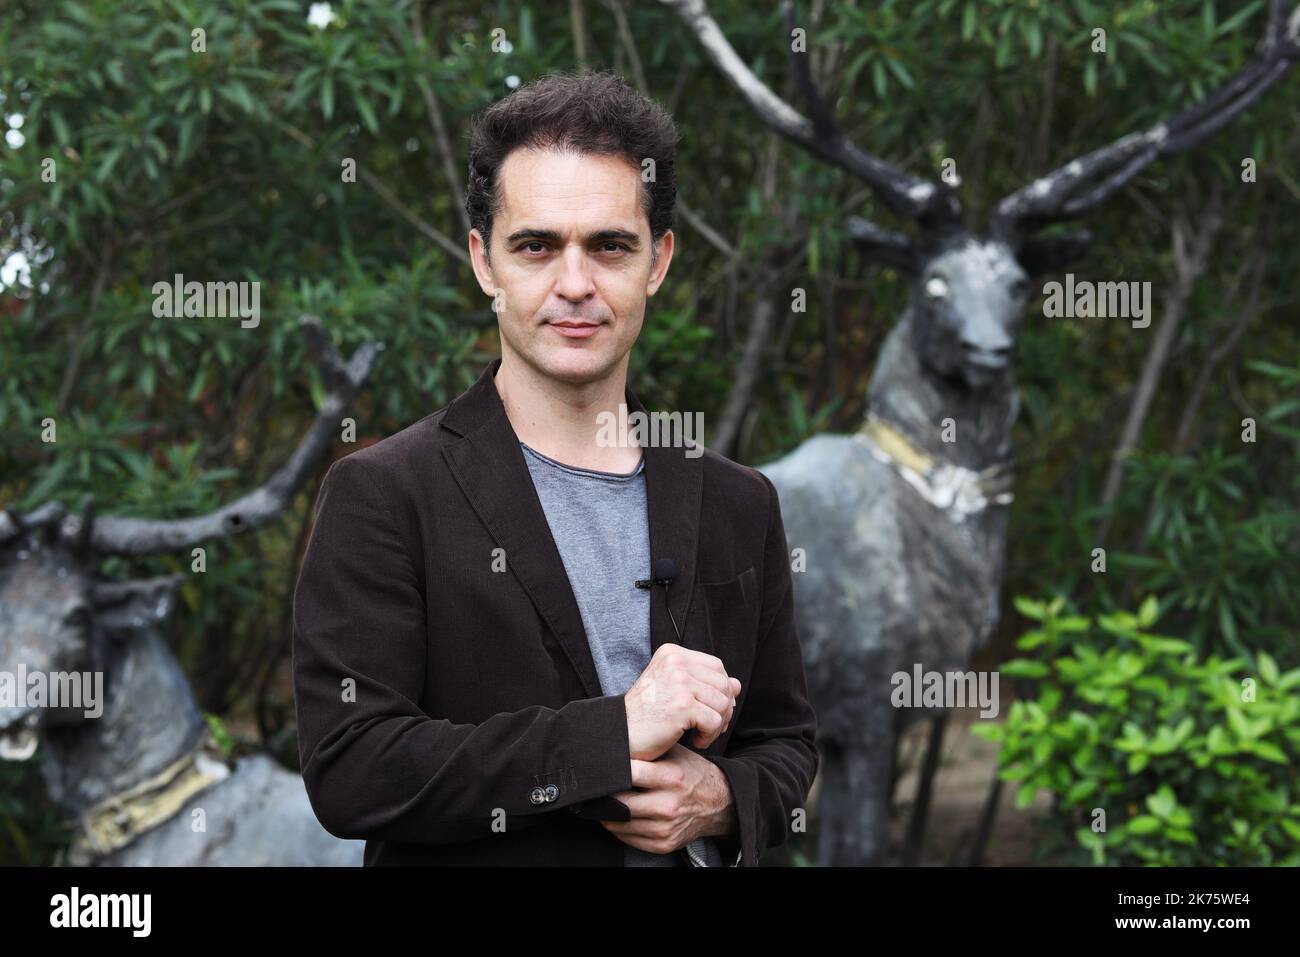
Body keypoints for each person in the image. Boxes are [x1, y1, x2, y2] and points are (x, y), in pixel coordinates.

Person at [292, 70, 818, 866]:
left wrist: (721, 801)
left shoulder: (740, 501)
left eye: (610, 245)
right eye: (536, 245)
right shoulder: (383, 496)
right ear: (484, 262)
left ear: (658, 261)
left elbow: (787, 744)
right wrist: (609, 738)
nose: (575, 284)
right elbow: (354, 770)